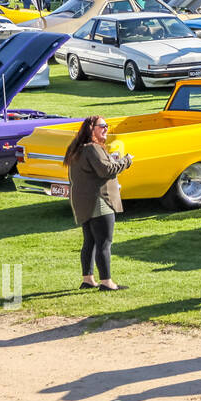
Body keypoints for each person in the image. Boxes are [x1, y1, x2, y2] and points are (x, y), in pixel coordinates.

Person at [64, 116, 133, 291]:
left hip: (84, 202)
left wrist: (113, 159)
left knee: (90, 242)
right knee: (104, 243)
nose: (106, 129)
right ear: (90, 129)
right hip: (99, 201)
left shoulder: (78, 149)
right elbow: (106, 170)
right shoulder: (92, 148)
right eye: (102, 126)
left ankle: (88, 280)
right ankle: (106, 282)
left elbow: (98, 168)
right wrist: (126, 161)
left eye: (106, 126)